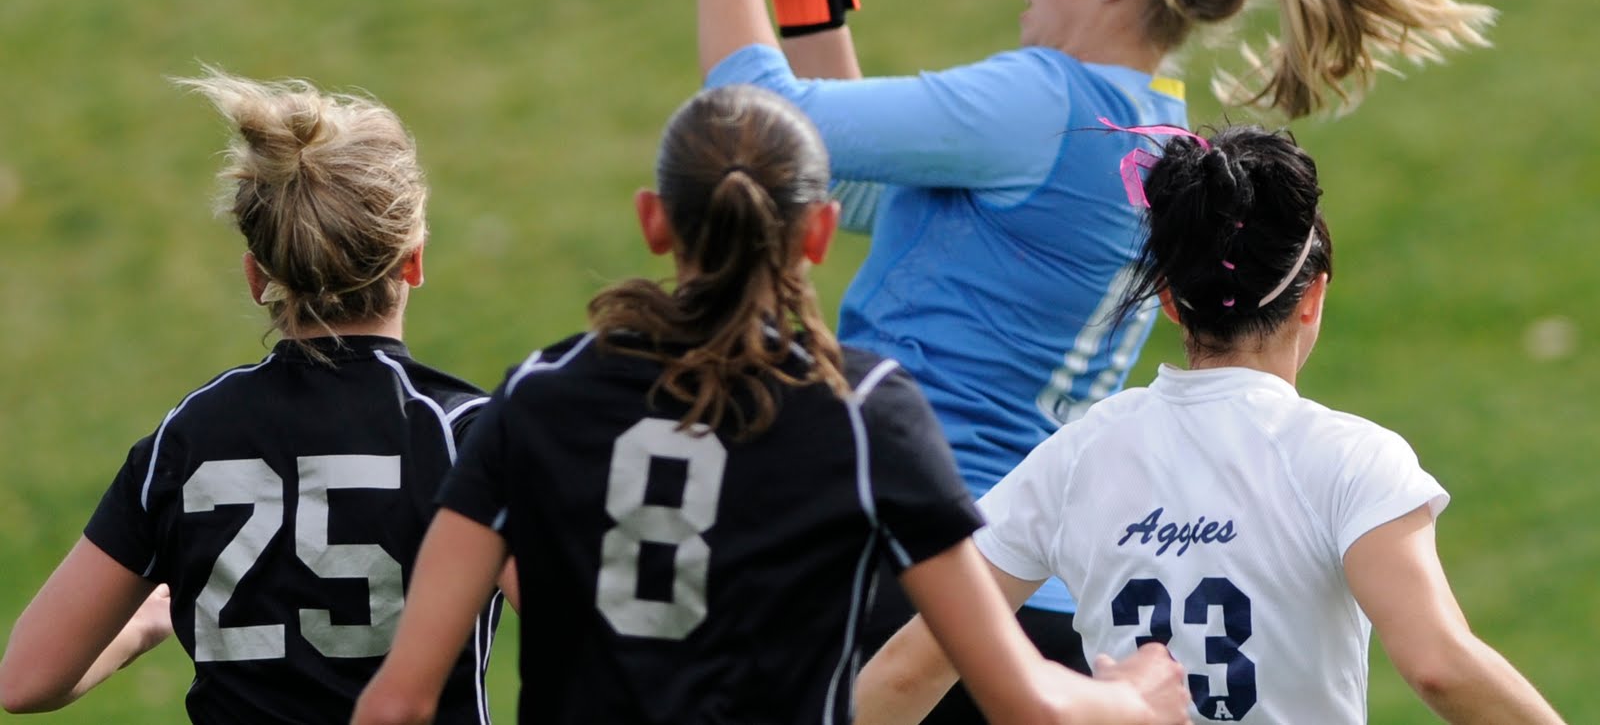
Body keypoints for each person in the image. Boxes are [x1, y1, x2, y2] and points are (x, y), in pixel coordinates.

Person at [611, 0, 1497, 718]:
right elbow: (857, 189)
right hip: (1014, 592)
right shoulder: (1151, 131)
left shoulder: (1043, 104)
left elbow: (755, 126)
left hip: (907, 569)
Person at [352, 84, 1190, 725]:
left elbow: (398, 704)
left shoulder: (536, 397)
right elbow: (1023, 702)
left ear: (654, 221)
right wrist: (1134, 697)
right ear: (819, 233)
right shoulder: (865, 415)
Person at [851, 124, 1568, 724]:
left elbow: (909, 672)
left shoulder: (1076, 456)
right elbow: (1439, 666)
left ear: (1170, 301)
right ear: (1312, 297)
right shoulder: (1354, 461)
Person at [0, 70, 505, 723]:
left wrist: (147, 625)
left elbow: (26, 680)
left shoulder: (190, 436)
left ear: (256, 275)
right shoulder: (463, 433)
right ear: (413, 260)